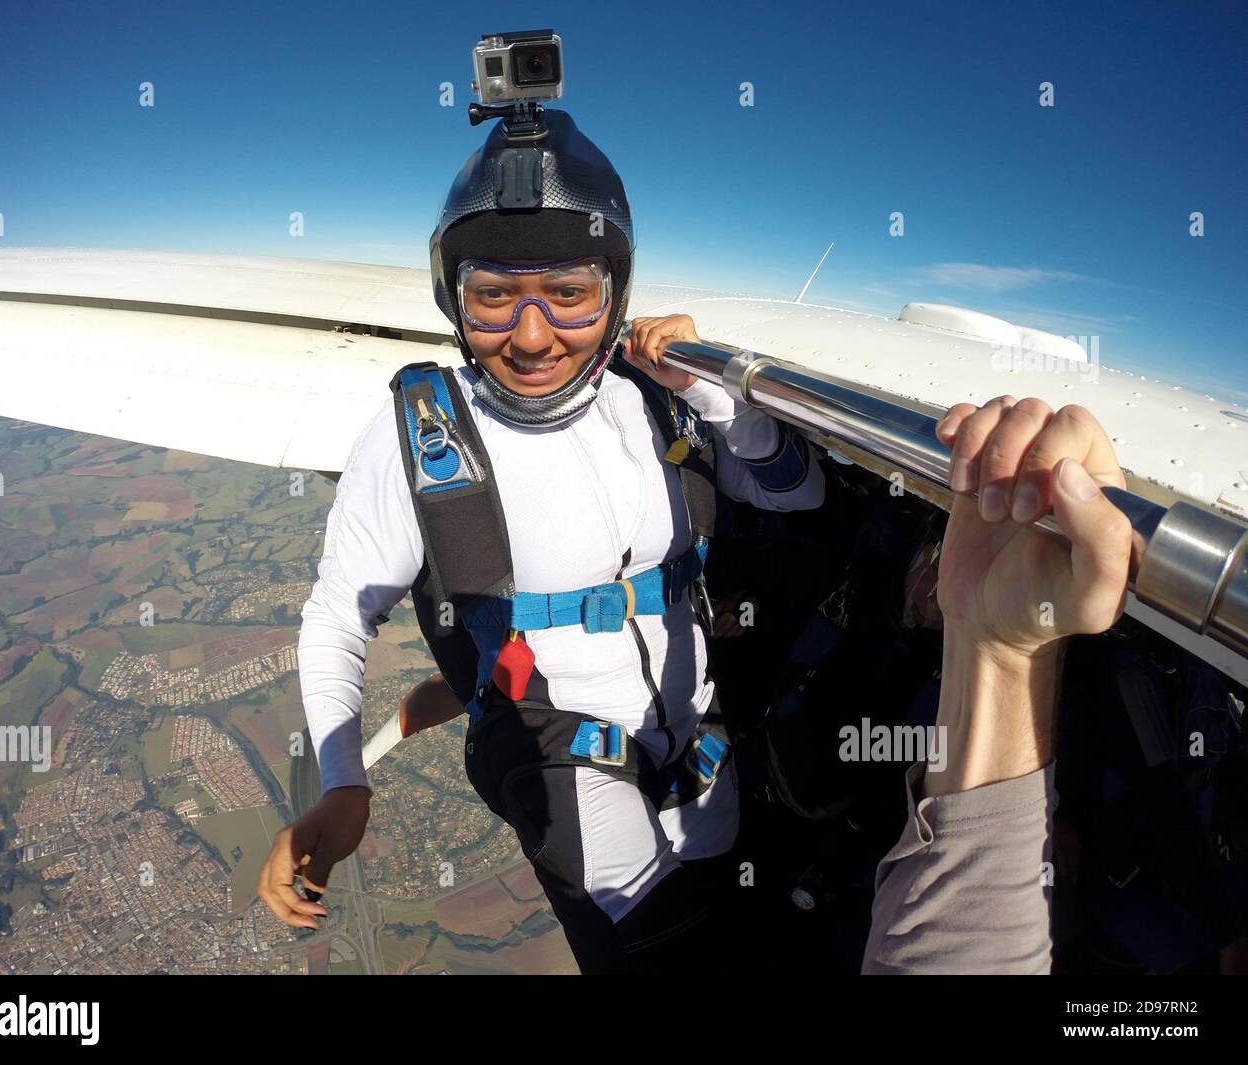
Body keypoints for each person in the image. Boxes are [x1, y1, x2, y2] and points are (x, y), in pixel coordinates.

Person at [257, 106, 1133, 974]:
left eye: (568, 295)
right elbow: (340, 613)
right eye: (494, 296)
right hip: (563, 763)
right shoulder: (420, 435)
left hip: (699, 746)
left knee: (731, 910)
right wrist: (342, 780)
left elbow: (795, 492)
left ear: (614, 294)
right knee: (668, 951)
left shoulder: (650, 401)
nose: (530, 336)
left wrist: (712, 395)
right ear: (455, 296)